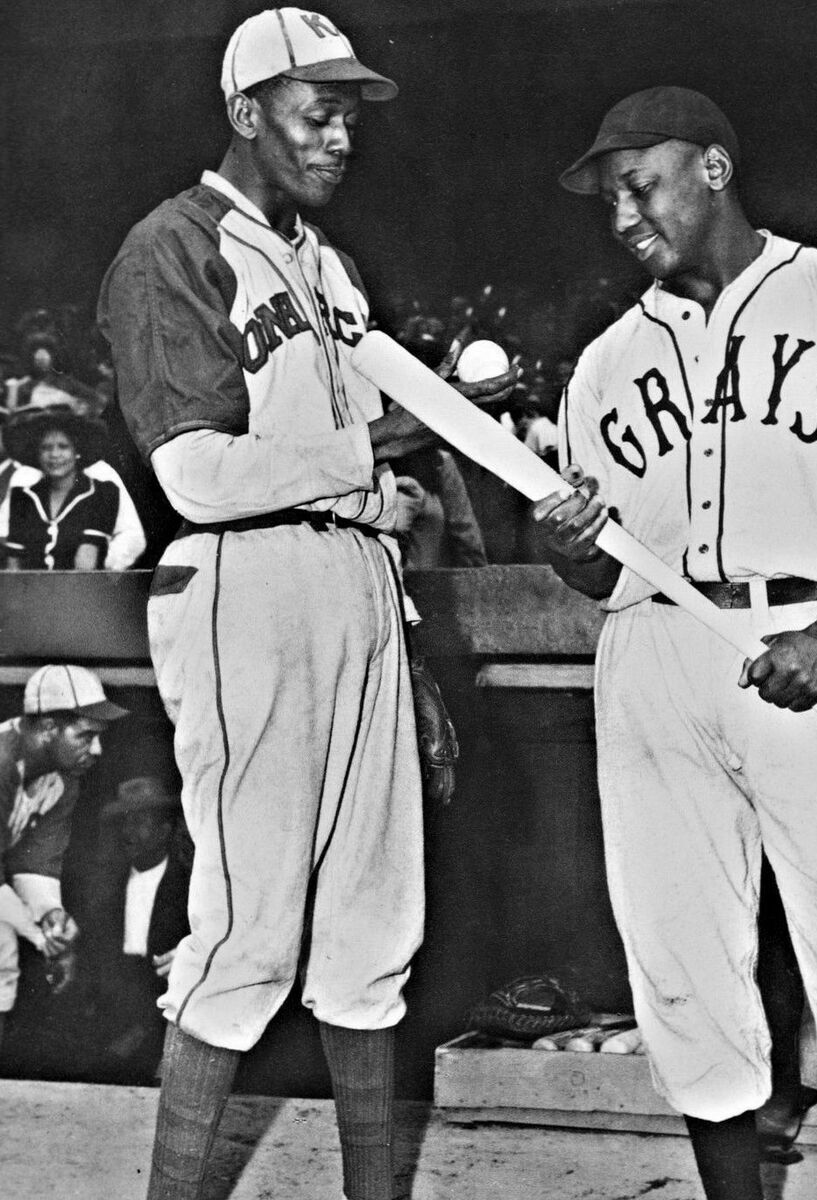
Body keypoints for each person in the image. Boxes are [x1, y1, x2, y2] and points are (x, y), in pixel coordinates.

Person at [97, 10, 514, 1199]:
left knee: (375, 927)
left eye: (349, 113)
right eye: (313, 108)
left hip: (360, 582)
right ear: (244, 112)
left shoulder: (328, 267)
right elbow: (194, 475)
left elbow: (369, 467)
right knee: (249, 931)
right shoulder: (171, 246)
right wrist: (373, 443)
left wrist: (394, 504)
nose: (339, 133)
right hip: (249, 583)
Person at [532, 86, 817, 1200]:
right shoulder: (603, 363)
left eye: (641, 182)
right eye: (607, 198)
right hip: (655, 653)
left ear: (713, 168)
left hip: (816, 638)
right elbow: (599, 568)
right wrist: (568, 546)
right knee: (679, 969)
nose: (623, 214)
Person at [0, 665, 128, 1056]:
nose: (96, 751)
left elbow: (35, 863)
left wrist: (50, 914)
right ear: (48, 727)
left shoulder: (62, 778)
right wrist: (40, 937)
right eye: (85, 736)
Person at [87, 773, 190, 1084]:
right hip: (108, 1019)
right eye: (125, 822)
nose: (129, 832)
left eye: (140, 822)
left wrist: (141, 1033)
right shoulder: (105, 889)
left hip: (163, 1022)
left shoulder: (190, 890)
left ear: (165, 830)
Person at [0, 406, 146, 570]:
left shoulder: (101, 492)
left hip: (77, 589)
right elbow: (14, 564)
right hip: (29, 590)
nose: (54, 455)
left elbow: (86, 562)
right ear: (37, 454)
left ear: (77, 450)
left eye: (63, 446)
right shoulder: (22, 496)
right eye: (46, 448)